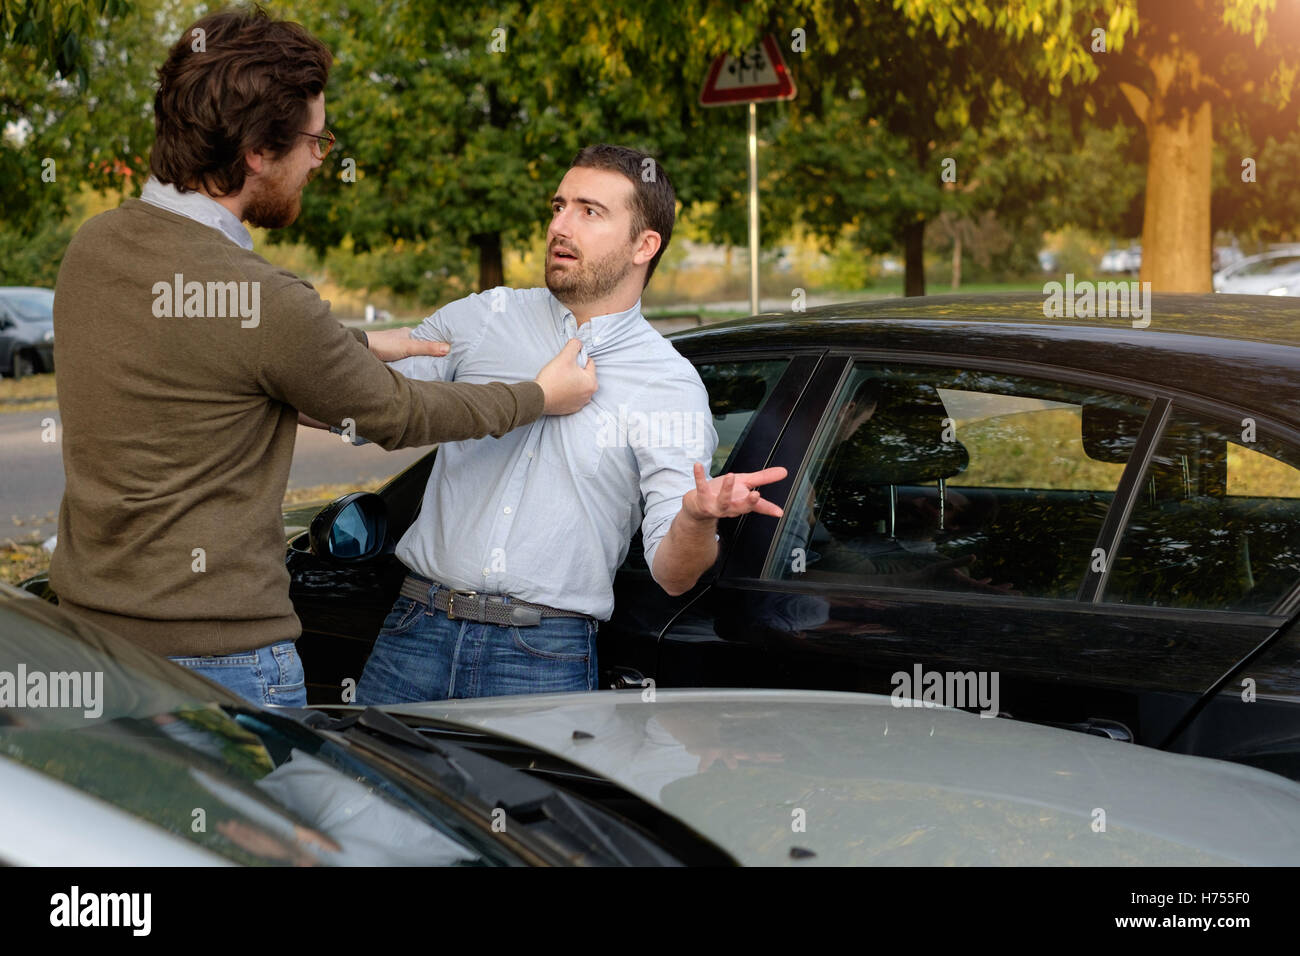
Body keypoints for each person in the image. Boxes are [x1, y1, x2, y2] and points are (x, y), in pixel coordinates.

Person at [48, 7, 596, 709]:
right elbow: (396, 414)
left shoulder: (95, 248)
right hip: (220, 669)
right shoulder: (267, 301)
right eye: (313, 139)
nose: (320, 157)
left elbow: (198, 361)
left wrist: (355, 346)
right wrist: (539, 396)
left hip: (90, 648)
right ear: (255, 150)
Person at [354, 144, 786, 703]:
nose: (560, 225)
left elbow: (675, 575)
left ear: (644, 245)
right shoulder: (486, 318)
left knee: (519, 798)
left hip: (541, 655)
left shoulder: (669, 384)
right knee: (362, 791)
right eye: (558, 206)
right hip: (416, 627)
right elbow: (356, 408)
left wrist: (698, 518)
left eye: (589, 211)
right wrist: (342, 346)